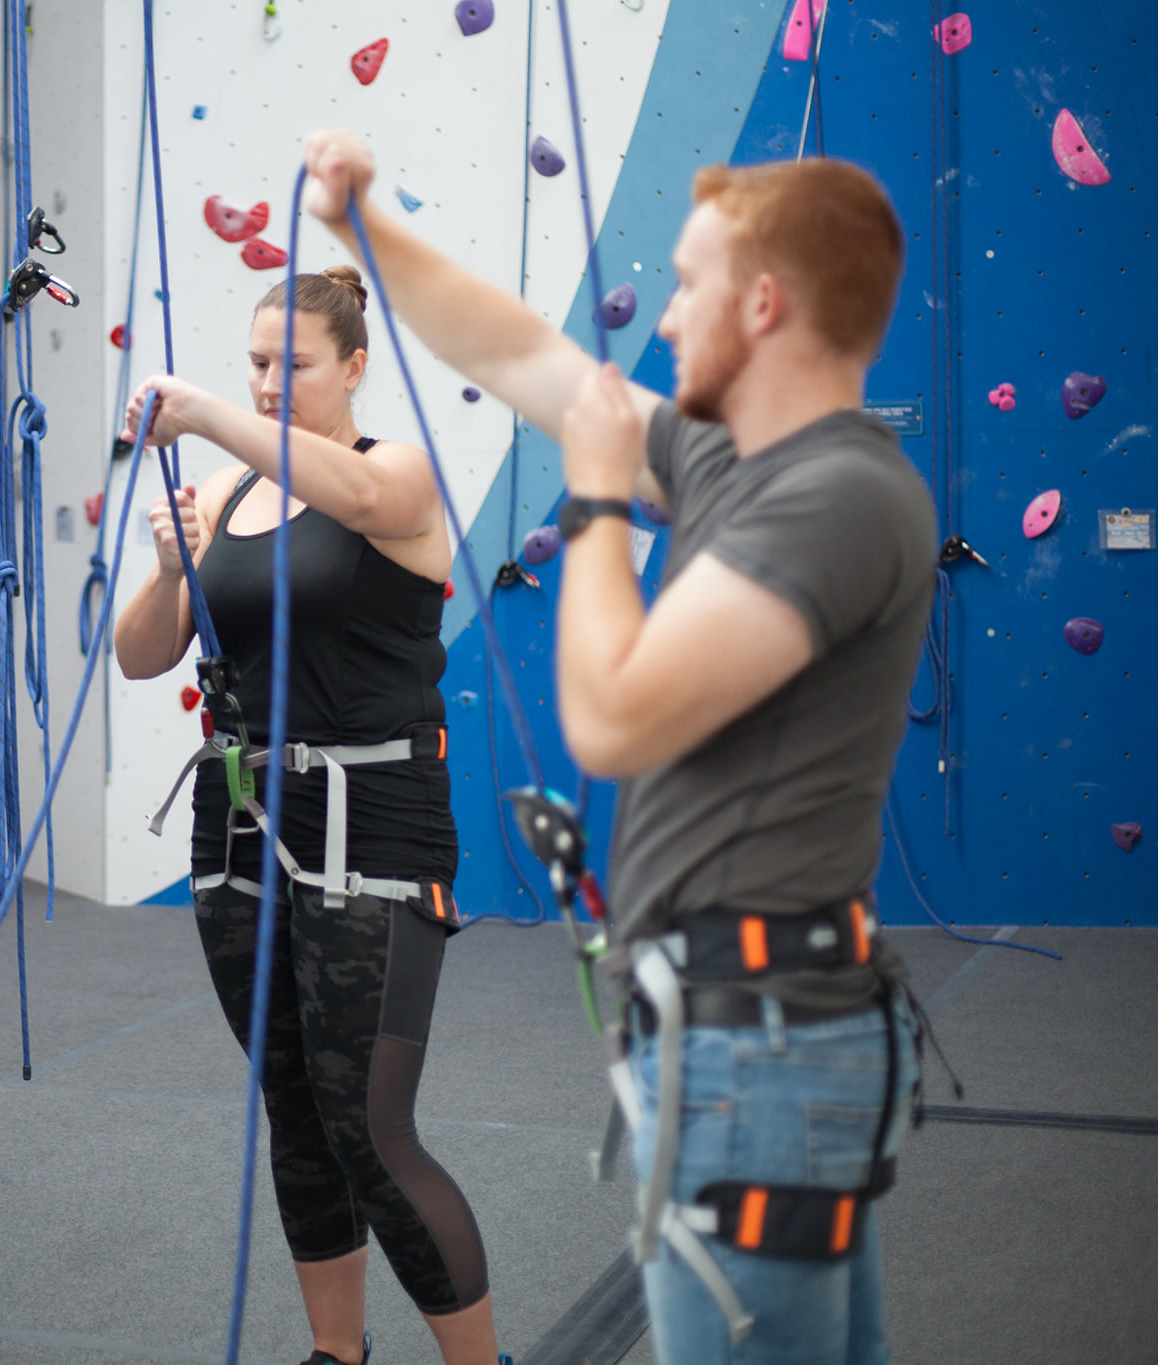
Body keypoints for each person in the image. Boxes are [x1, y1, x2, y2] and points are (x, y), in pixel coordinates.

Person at [299, 130, 934, 1363]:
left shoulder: (833, 496)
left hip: (762, 1048)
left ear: (761, 304)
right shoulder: (740, 456)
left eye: (690, 284)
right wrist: (362, 228)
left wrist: (591, 499)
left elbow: (612, 716)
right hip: (740, 1027)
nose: (672, 310)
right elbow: (523, 356)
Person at [116, 267, 503, 1365]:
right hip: (240, 829)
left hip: (373, 828)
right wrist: (168, 564)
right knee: (296, 1114)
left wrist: (205, 414)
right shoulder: (230, 500)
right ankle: (338, 1354)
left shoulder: (398, 477)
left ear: (352, 370)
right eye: (253, 363)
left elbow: (368, 506)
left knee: (370, 1132)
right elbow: (145, 655)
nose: (269, 383)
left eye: (291, 365)